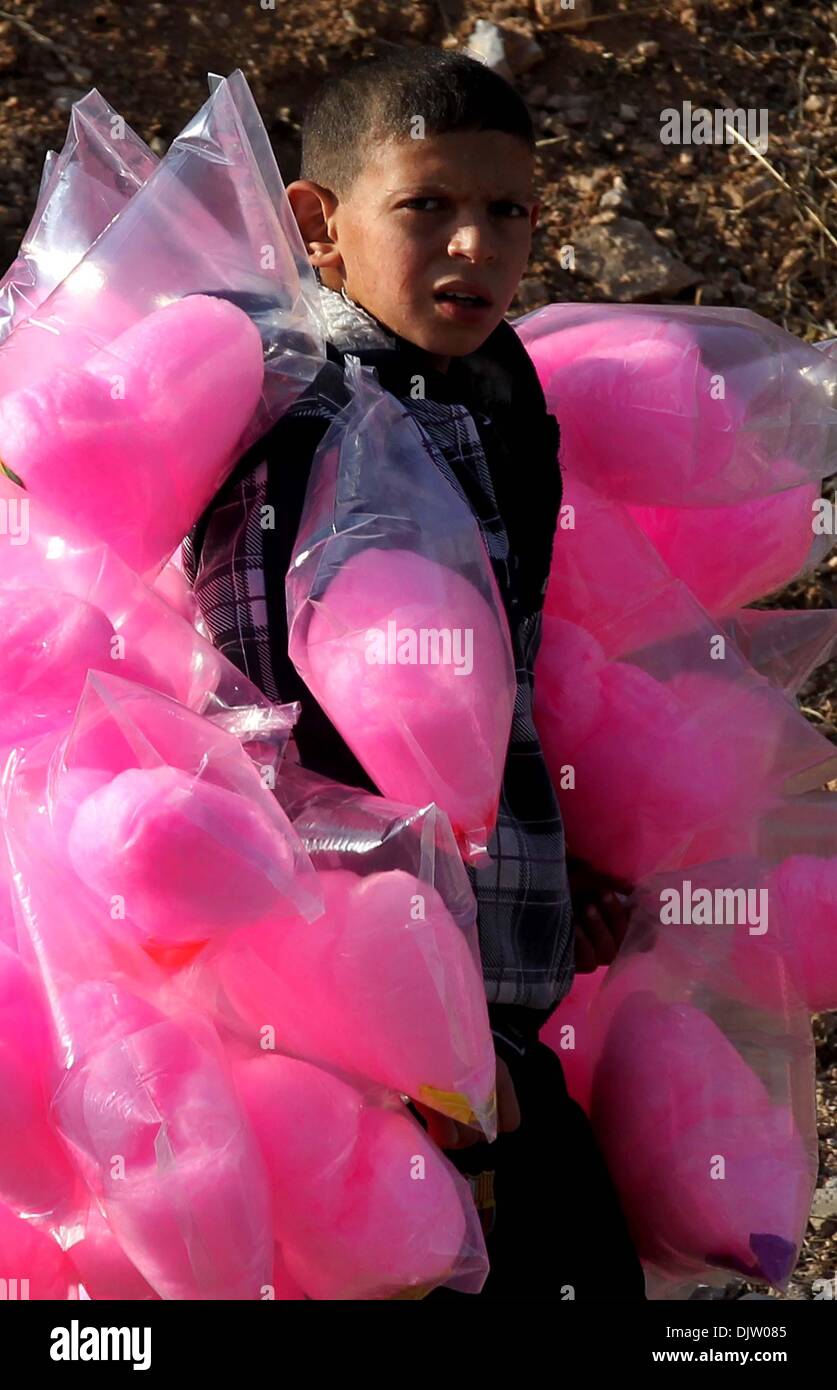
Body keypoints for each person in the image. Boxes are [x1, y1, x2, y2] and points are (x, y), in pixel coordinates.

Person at [183, 43, 646, 1301]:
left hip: (491, 998)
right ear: (318, 226)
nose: (473, 247)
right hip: (358, 1022)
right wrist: (391, 1023)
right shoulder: (282, 410)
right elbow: (275, 734)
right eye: (427, 205)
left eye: (507, 213)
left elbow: (504, 703)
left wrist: (565, 863)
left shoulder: (503, 406)